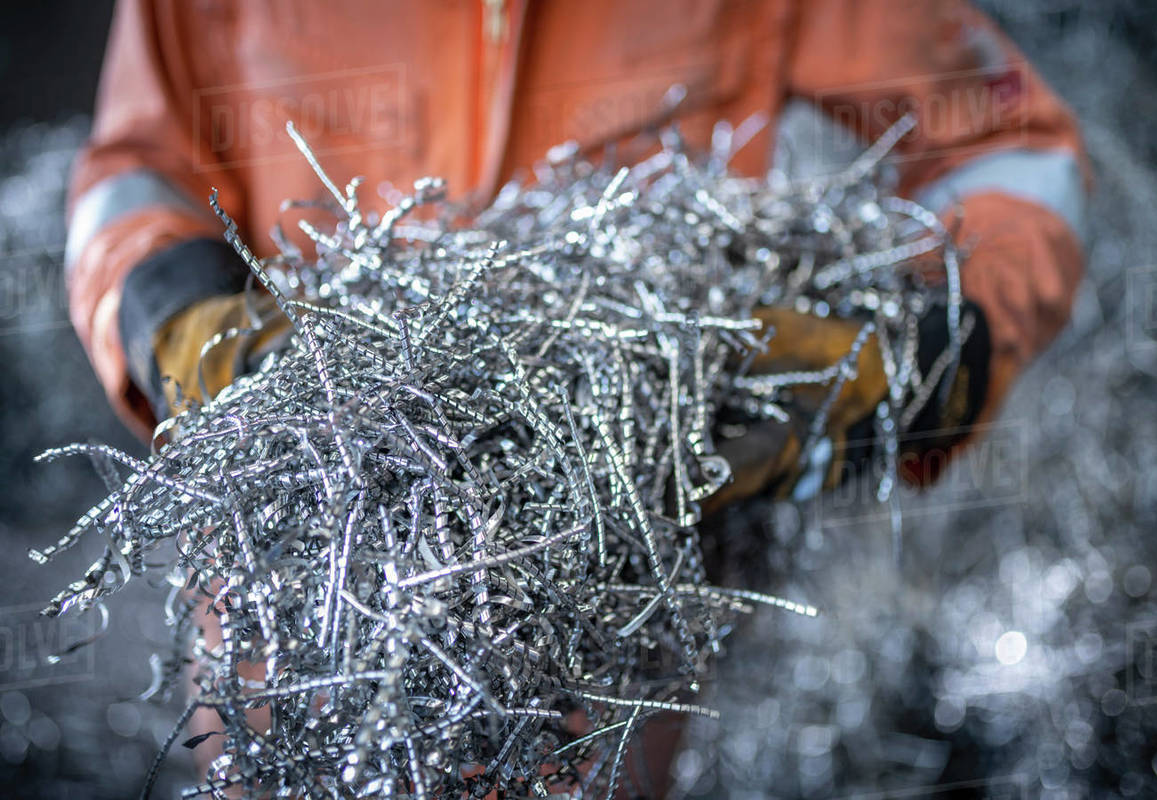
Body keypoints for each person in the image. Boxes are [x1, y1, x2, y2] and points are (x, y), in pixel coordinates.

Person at [65, 0, 1086, 792]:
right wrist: (182, 322)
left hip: (612, 624)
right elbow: (138, 171)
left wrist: (904, 370)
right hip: (294, 602)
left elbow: (1005, 150)